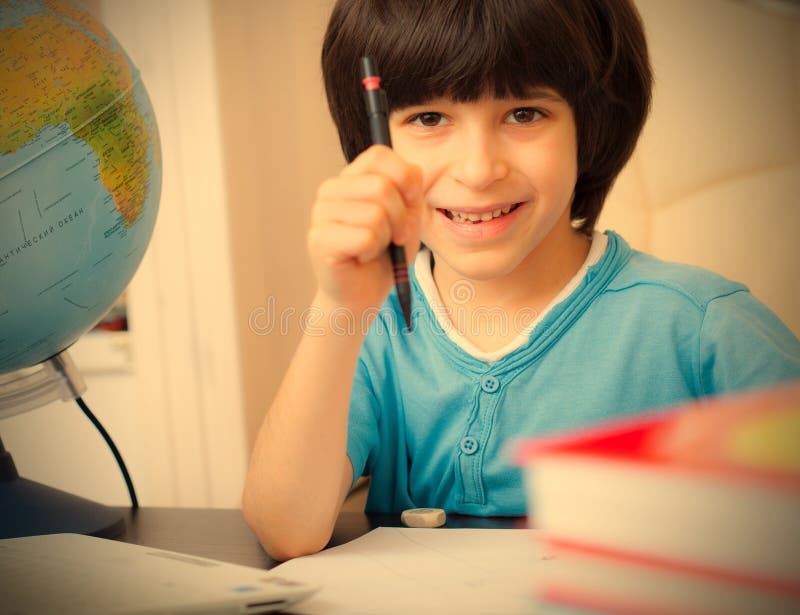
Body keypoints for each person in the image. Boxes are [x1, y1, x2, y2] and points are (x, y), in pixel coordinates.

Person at [242, 0, 800, 560]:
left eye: (525, 114)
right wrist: (338, 305)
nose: (479, 169)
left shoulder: (701, 326)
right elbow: (285, 529)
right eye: (429, 119)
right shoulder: (372, 329)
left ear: (592, 124)